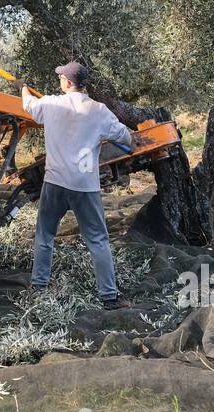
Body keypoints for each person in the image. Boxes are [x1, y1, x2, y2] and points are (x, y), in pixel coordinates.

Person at [20, 61, 134, 310]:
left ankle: (39, 288)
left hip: (55, 182)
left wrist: (24, 88)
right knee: (97, 240)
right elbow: (125, 137)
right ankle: (109, 297)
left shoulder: (51, 103)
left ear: (68, 83)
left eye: (61, 76)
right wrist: (128, 142)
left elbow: (29, 106)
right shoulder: (99, 110)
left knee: (45, 235)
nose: (59, 80)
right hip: (85, 185)